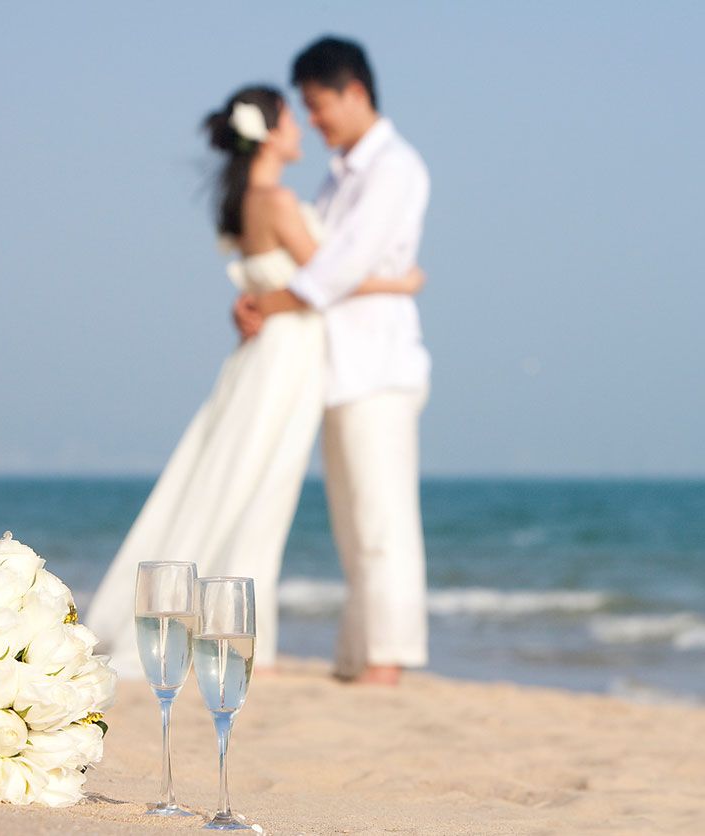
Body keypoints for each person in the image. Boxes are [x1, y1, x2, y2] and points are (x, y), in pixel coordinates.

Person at [87, 83, 423, 680]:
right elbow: (329, 276)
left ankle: (240, 636)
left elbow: (279, 280)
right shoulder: (279, 199)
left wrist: (257, 302)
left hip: (276, 354)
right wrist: (401, 283)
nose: (302, 128)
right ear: (268, 132)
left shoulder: (251, 199)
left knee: (236, 480)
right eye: (293, 118)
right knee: (260, 490)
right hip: (287, 358)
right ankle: (246, 643)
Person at [234, 37, 431, 686]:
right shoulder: (337, 175)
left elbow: (337, 269)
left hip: (377, 364)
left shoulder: (393, 168)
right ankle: (359, 656)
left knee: (383, 519)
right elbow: (311, 260)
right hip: (334, 365)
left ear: (354, 92)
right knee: (353, 521)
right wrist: (266, 299)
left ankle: (386, 660)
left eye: (318, 106)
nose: (313, 121)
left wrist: (271, 300)